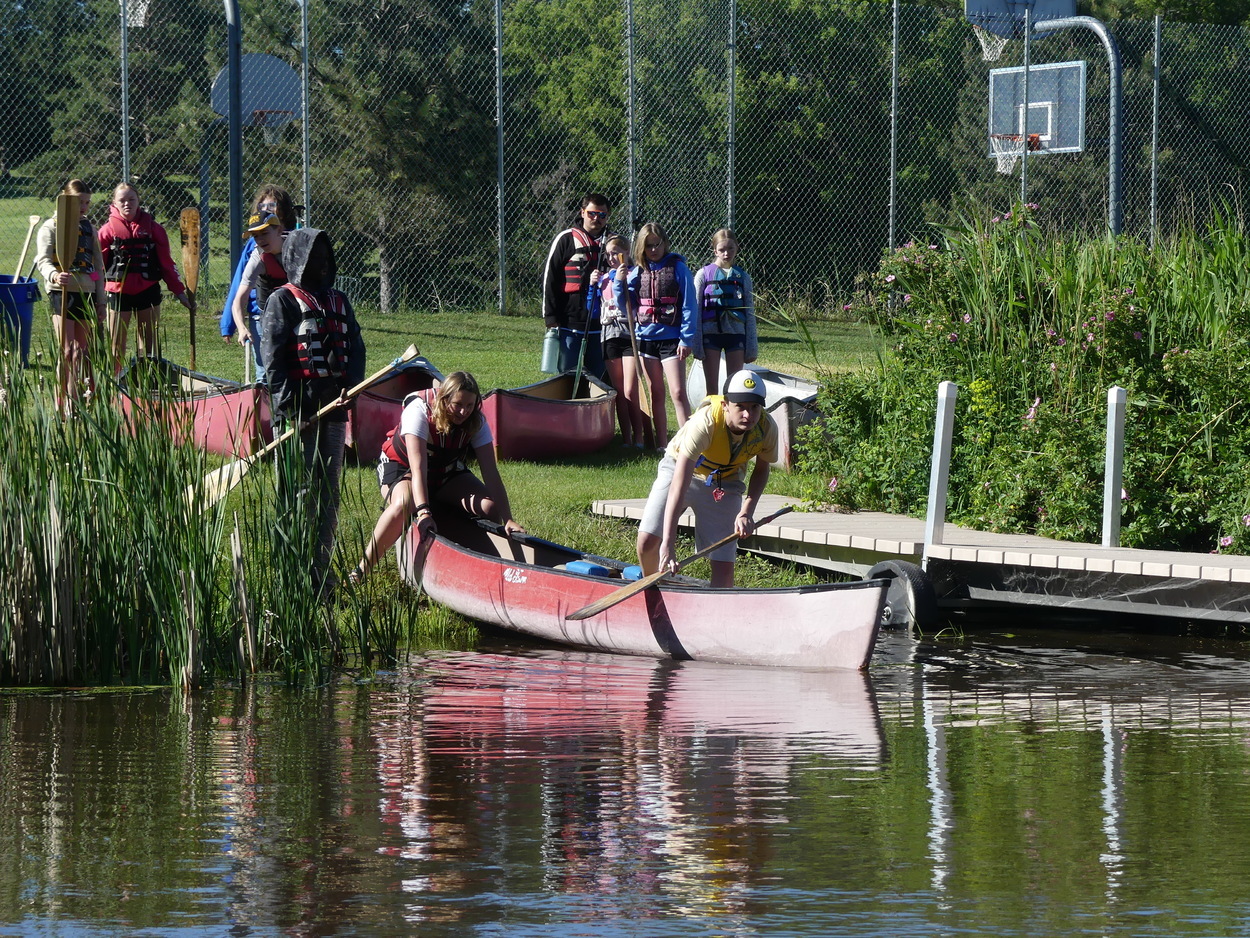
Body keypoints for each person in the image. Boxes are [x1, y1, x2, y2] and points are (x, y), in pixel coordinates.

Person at [261, 228, 366, 595]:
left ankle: (319, 575)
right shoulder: (282, 301)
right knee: (298, 493)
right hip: (297, 416)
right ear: (295, 262)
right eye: (312, 260)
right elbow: (273, 362)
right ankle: (290, 575)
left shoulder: (340, 300)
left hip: (334, 412)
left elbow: (356, 346)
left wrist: (350, 390)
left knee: (328, 493)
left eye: (325, 259)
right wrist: (291, 410)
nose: (320, 266)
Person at [351, 372, 525, 582]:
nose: (464, 411)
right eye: (458, 404)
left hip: (444, 471)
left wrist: (508, 518)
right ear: (443, 400)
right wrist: (424, 511)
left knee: (490, 508)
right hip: (402, 468)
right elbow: (418, 467)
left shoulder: (476, 420)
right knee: (405, 504)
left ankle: (475, 564)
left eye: (470, 405)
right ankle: (360, 571)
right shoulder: (419, 410)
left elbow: (491, 472)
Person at [636, 369, 777, 589]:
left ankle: (719, 611)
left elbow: (761, 469)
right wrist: (669, 543)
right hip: (680, 471)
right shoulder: (705, 423)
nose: (748, 415)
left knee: (723, 561)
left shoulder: (767, 428)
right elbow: (678, 485)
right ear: (725, 405)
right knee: (648, 541)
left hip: (725, 481)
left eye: (755, 407)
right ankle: (651, 587)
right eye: (740, 407)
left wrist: (747, 512)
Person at [613, 222, 697, 449]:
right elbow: (625, 305)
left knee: (678, 393)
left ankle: (687, 444)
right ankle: (662, 445)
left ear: (665, 243)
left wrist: (686, 338)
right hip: (647, 340)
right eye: (649, 245)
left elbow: (689, 304)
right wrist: (618, 282)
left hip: (672, 340)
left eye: (657, 244)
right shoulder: (638, 271)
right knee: (655, 392)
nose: (653, 250)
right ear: (642, 246)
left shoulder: (678, 268)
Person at [97, 182, 191, 374]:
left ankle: (146, 381)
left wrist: (180, 293)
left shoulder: (154, 229)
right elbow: (98, 268)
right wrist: (95, 296)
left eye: (131, 199)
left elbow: (166, 264)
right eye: (122, 200)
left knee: (149, 346)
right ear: (114, 203)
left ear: (138, 201)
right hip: (118, 294)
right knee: (116, 345)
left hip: (147, 291)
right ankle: (117, 385)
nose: (127, 204)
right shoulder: (106, 232)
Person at [34, 179, 106, 415]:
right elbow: (42, 260)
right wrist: (54, 275)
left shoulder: (89, 228)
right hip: (61, 293)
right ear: (66, 201)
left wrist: (101, 300)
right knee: (66, 350)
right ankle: (61, 400)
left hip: (86, 293)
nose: (84, 207)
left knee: (82, 351)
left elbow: (98, 266)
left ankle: (76, 399)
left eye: (87, 202)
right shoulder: (50, 227)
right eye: (79, 202)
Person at [219, 185, 298, 381]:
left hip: (295, 314)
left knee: (294, 367)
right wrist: (230, 324)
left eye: (272, 205)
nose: (267, 209)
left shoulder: (299, 242)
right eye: (262, 206)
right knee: (266, 372)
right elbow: (240, 287)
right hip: (261, 313)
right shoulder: (256, 250)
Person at [542, 193, 612, 379]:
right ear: (582, 212)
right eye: (592, 213)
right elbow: (551, 278)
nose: (597, 218)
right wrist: (550, 315)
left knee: (599, 376)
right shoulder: (566, 239)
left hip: (604, 322)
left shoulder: (614, 243)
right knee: (566, 374)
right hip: (569, 321)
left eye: (602, 215)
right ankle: (566, 407)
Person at [594, 234, 649, 448]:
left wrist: (621, 279)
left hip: (629, 334)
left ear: (626, 253)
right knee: (618, 391)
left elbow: (631, 301)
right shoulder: (603, 278)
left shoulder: (635, 274)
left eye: (616, 253)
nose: (611, 258)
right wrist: (592, 286)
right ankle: (626, 438)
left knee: (630, 390)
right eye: (608, 254)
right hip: (609, 334)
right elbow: (593, 307)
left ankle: (640, 436)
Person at [693, 228, 757, 398]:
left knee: (734, 388)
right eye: (722, 249)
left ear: (737, 248)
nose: (726, 253)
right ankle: (712, 422)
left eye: (730, 248)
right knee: (712, 390)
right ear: (715, 251)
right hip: (710, 334)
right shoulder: (703, 275)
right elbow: (696, 311)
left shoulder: (743, 277)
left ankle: (732, 423)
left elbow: (749, 312)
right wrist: (697, 344)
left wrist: (751, 347)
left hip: (736, 334)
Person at [229, 212, 288, 381]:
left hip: (295, 314)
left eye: (264, 233)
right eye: (255, 236)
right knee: (265, 374)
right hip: (265, 316)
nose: (260, 239)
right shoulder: (257, 257)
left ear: (279, 230)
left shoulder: (297, 249)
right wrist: (241, 328)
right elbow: (239, 298)